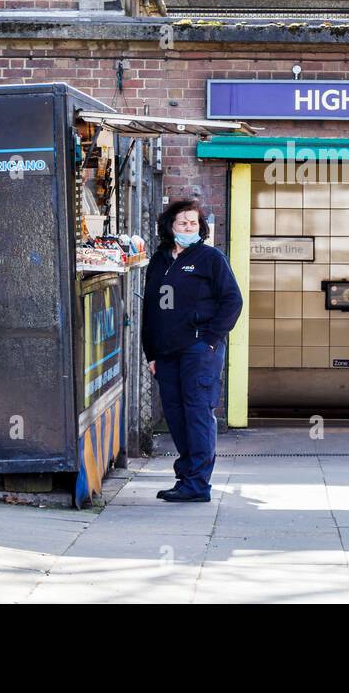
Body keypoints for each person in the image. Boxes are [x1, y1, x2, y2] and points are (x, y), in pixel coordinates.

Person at [140, 199, 243, 503]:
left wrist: (211, 340)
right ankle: (186, 477)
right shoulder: (159, 260)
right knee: (175, 414)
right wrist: (152, 353)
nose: (188, 228)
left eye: (194, 223)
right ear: (170, 226)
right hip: (166, 352)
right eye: (183, 223)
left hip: (199, 350)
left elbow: (232, 301)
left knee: (198, 413)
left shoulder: (210, 258)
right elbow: (151, 307)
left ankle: (198, 484)